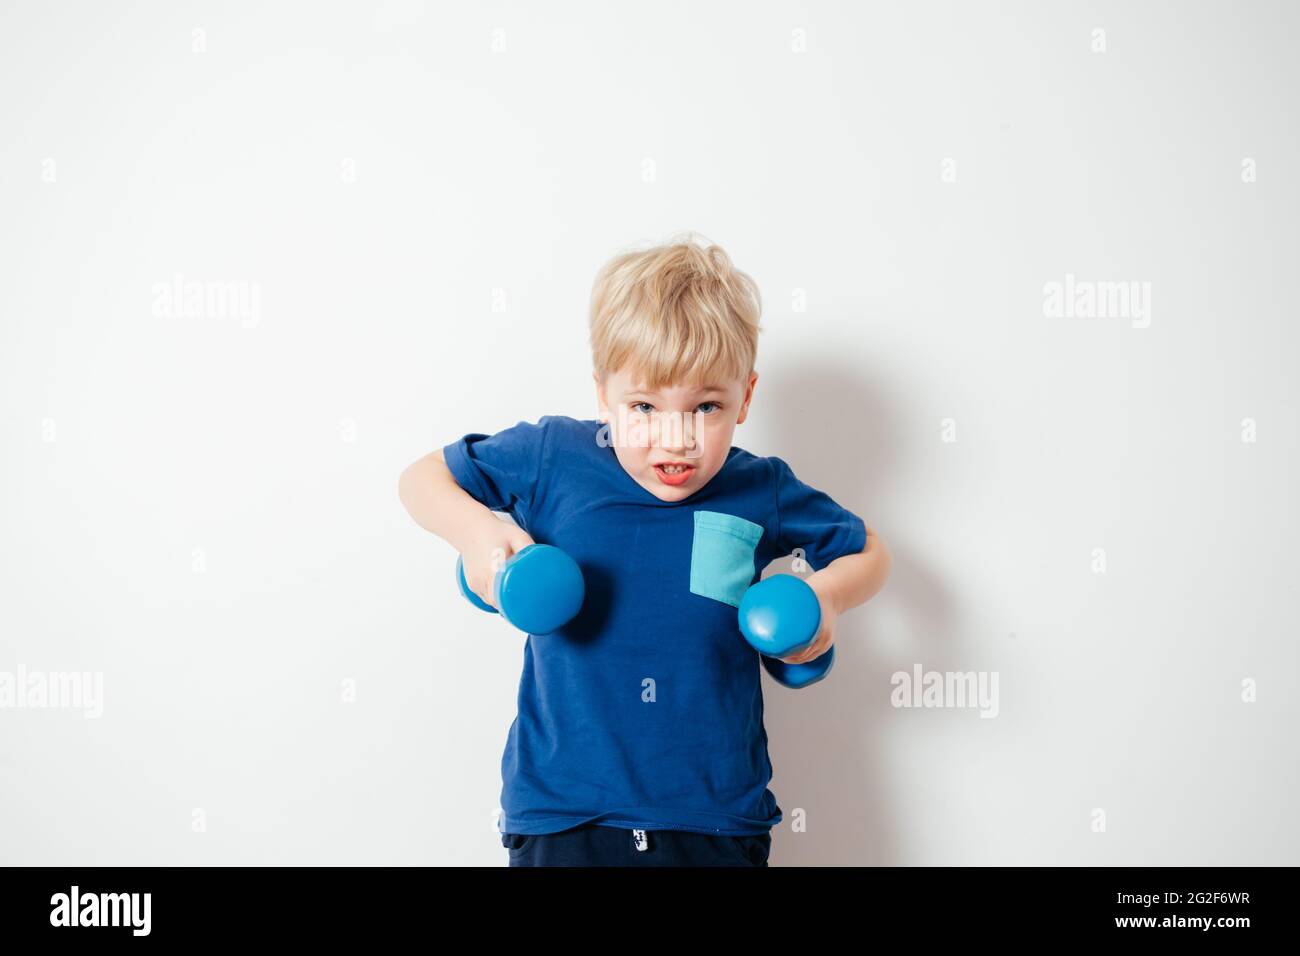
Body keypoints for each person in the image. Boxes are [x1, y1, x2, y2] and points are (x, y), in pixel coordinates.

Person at [398, 234, 892, 866]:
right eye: (644, 407)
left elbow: (869, 552)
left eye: (707, 406)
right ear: (604, 394)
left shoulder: (760, 487)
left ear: (746, 395)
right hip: (564, 812)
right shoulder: (554, 457)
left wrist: (823, 600)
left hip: (713, 819)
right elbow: (420, 479)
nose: (676, 438)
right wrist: (478, 538)